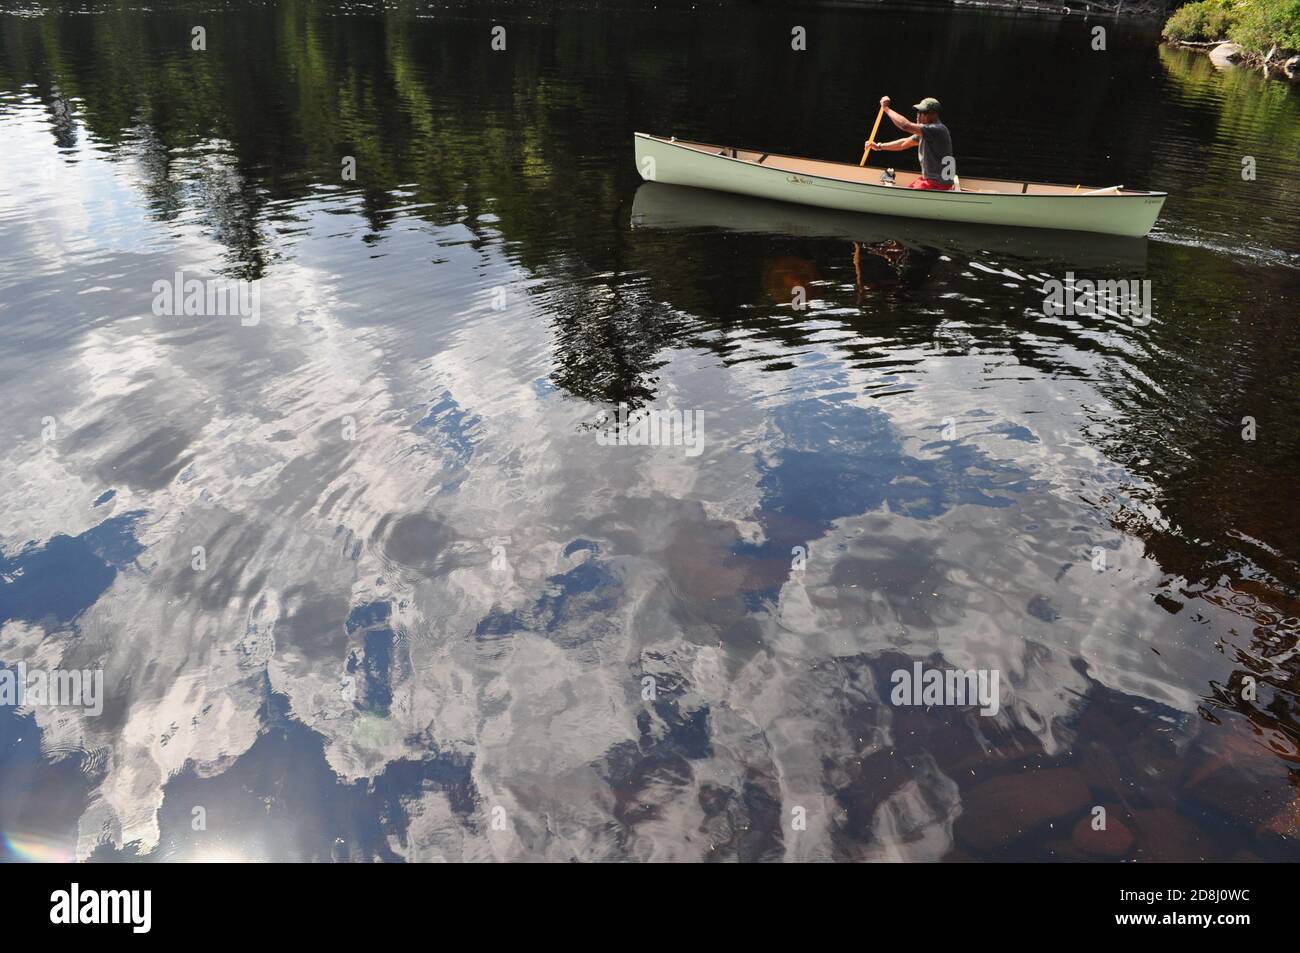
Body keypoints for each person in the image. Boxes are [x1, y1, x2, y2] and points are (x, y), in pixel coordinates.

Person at [866, 96, 956, 191]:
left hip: (938, 184)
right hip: (933, 181)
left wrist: (886, 109)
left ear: (934, 115)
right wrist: (879, 146)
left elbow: (905, 125)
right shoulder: (927, 131)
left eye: (923, 112)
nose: (918, 115)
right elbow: (903, 143)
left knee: (906, 192)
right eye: (918, 112)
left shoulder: (937, 129)